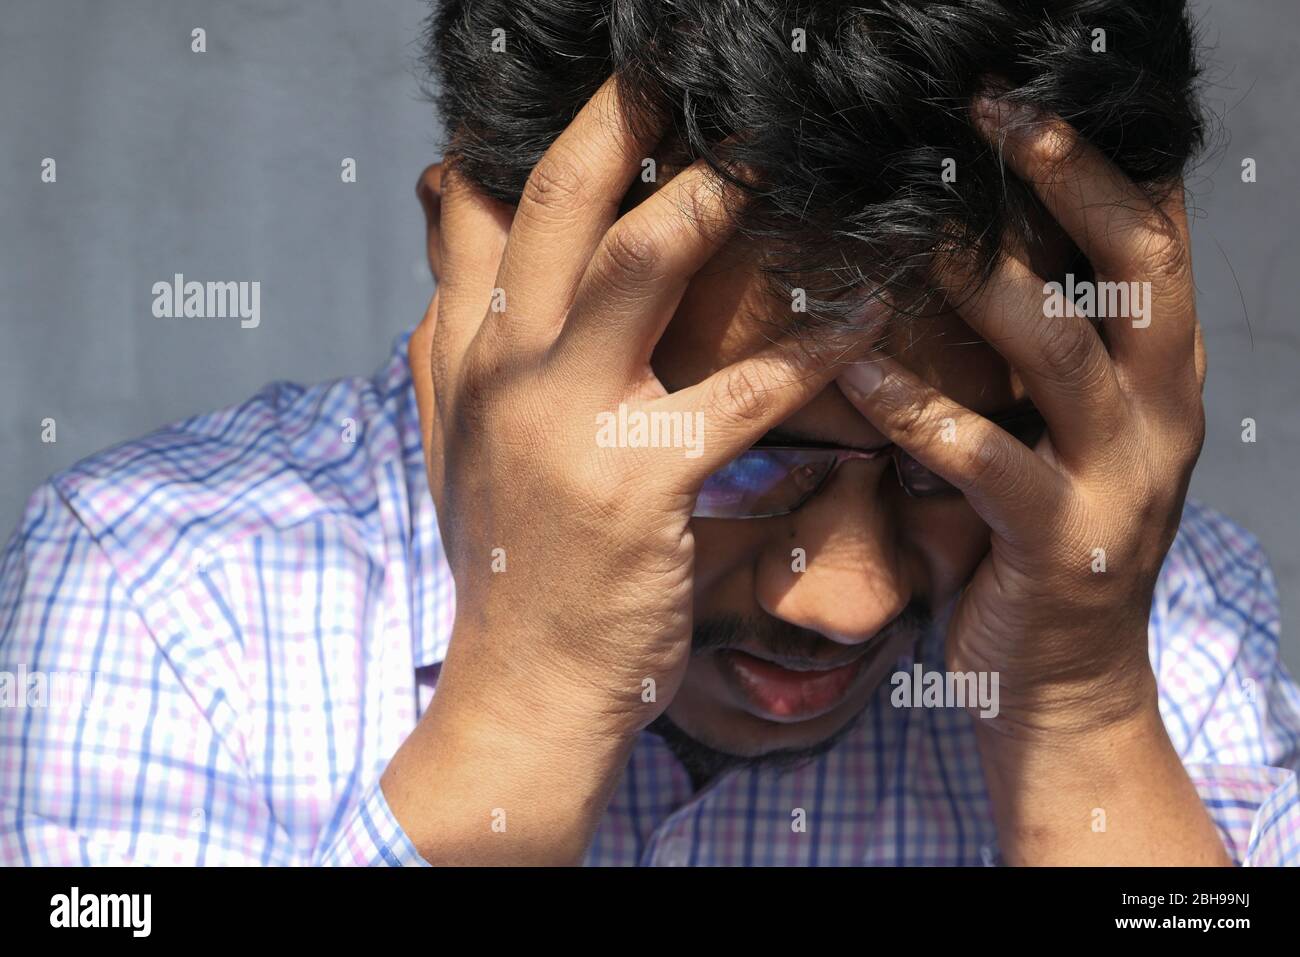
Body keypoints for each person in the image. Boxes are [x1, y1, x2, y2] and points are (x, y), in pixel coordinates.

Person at [3, 0, 1297, 866]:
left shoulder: (1167, 635)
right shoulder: (162, 590)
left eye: (952, 468)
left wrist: (1081, 714)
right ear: (479, 285)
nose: (846, 602)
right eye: (736, 453)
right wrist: (534, 697)